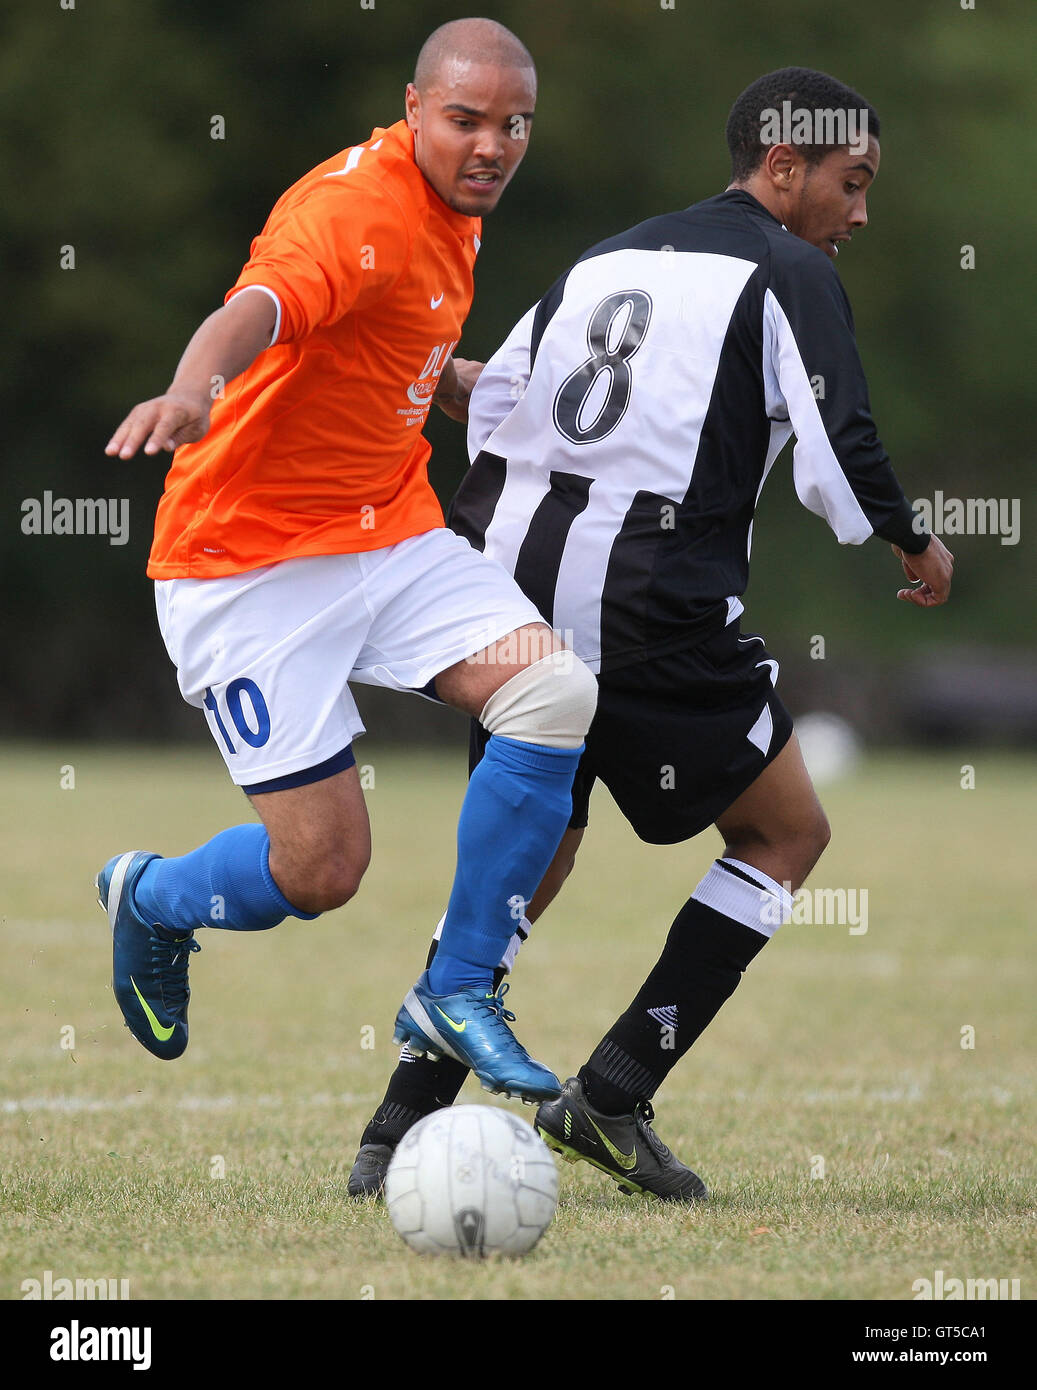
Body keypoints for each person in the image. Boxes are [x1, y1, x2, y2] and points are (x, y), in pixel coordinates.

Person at [349, 66, 954, 1200]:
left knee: (531, 856)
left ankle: (395, 1126)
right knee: (782, 837)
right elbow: (843, 441)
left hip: (510, 598)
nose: (859, 212)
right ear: (783, 169)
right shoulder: (791, 269)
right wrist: (911, 541)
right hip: (649, 610)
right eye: (851, 182)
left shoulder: (608, 252)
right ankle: (616, 1090)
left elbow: (499, 396)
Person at [95, 18, 599, 1106]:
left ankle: (457, 987)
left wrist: (453, 380)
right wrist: (192, 387)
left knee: (552, 691)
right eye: (464, 120)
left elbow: (380, 335)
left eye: (513, 126)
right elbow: (260, 308)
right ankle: (151, 897)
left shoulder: (452, 206)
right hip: (245, 565)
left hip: (389, 533)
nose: (491, 146)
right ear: (412, 109)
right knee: (320, 872)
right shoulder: (352, 208)